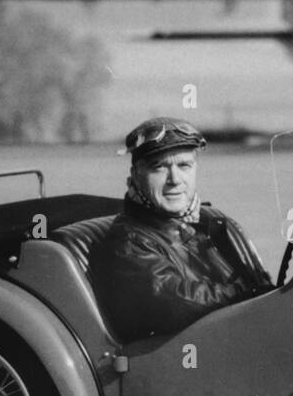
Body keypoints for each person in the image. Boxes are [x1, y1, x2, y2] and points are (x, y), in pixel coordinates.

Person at [89, 116, 272, 342]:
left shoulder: (210, 224)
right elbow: (176, 301)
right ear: (136, 174)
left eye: (184, 165)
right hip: (185, 360)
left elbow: (260, 283)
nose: (175, 179)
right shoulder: (129, 242)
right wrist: (249, 291)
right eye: (159, 167)